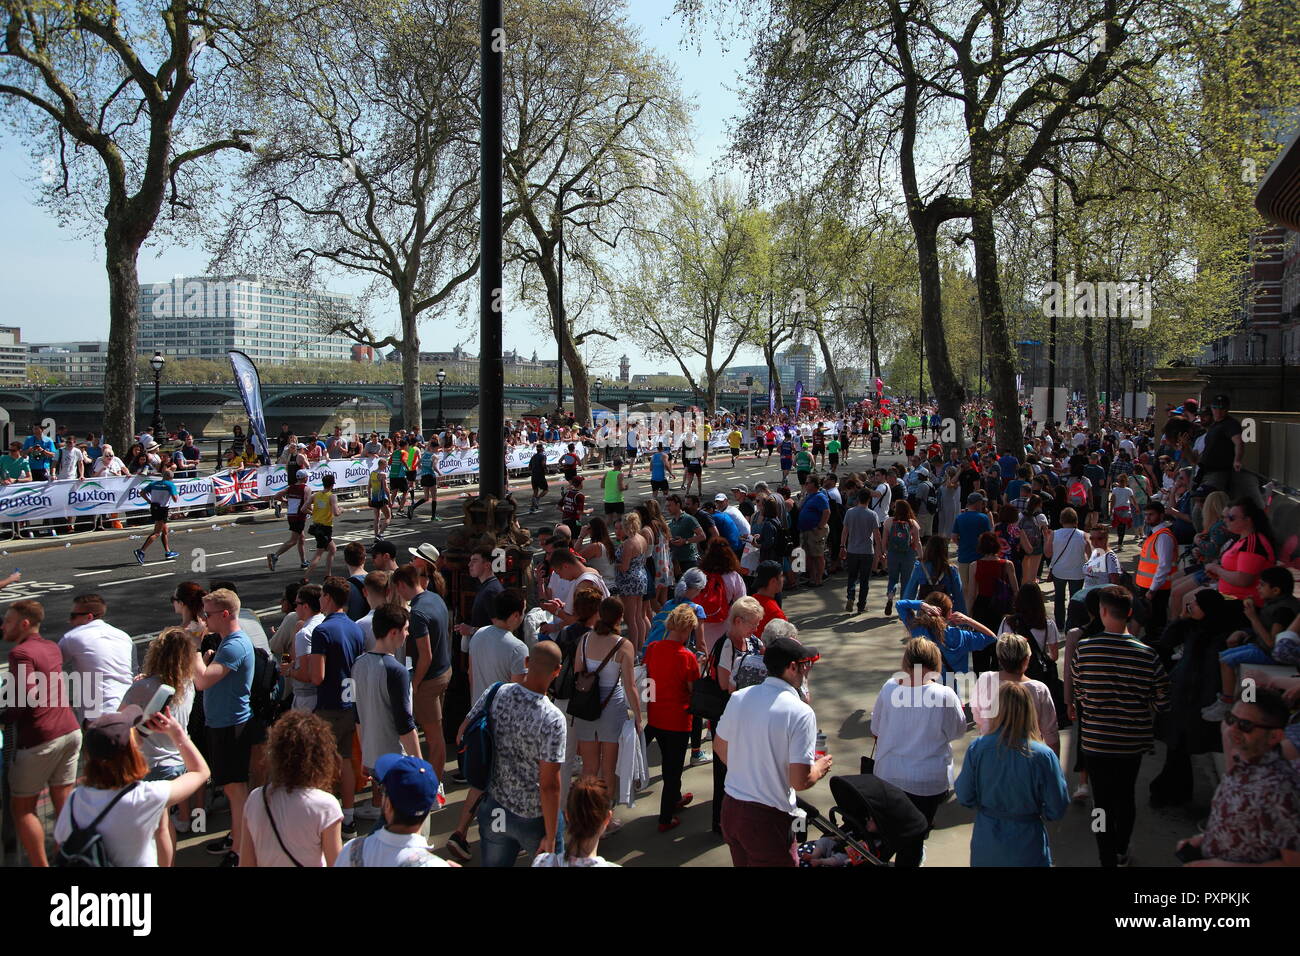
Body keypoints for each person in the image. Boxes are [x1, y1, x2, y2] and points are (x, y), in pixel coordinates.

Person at [1072, 586, 1170, 867]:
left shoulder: (1086, 649)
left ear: (1102, 611)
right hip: (1131, 742)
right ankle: (1121, 847)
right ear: (1129, 613)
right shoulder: (1147, 655)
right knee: (1125, 797)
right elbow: (1163, 700)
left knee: (1101, 802)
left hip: (1096, 742)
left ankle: (1106, 854)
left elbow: (1080, 692)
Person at [715, 636, 831, 867]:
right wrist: (819, 768)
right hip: (767, 820)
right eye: (805, 664)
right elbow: (800, 781)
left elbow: (719, 746)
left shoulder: (739, 698)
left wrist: (749, 769)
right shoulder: (801, 712)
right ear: (792, 667)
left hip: (731, 810)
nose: (807, 670)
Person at [50, 704, 209, 867]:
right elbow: (200, 772)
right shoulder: (145, 796)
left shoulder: (75, 799)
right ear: (132, 752)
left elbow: (62, 841)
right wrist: (177, 733)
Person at [458, 640, 567, 866]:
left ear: (527, 662)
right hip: (534, 817)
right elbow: (549, 785)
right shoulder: (553, 718)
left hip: (495, 806)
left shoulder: (496, 692)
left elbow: (462, 732)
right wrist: (550, 833)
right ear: (557, 671)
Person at [1175, 688, 1300, 866]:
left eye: (1245, 725)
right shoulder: (1243, 762)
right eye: (1230, 719)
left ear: (1274, 736)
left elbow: (1292, 863)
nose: (1231, 730)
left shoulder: (1279, 789)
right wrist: (1204, 839)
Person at [0, 600, 82, 867]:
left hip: (40, 738)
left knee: (22, 809)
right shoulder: (50, 647)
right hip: (69, 730)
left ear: (24, 623)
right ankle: (65, 857)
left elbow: (25, 697)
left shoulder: (20, 653)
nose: (3, 626)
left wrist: (5, 717)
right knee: (63, 800)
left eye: (8, 621)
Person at [956, 681, 1071, 866]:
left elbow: (964, 794)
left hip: (987, 842)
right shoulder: (1043, 755)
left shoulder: (978, 749)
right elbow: (1057, 805)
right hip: (1028, 843)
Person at [871, 637, 966, 860]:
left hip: (888, 776)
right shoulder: (945, 695)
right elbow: (957, 731)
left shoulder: (889, 688)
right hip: (927, 782)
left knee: (885, 837)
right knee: (913, 842)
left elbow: (876, 727)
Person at [191, 587, 256, 866]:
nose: (206, 620)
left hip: (230, 725)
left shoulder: (233, 645)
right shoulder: (229, 642)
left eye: (209, 614)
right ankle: (237, 839)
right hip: (223, 723)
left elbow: (202, 682)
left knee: (235, 791)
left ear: (225, 613)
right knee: (233, 790)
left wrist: (194, 646)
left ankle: (240, 852)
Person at [240, 711, 344, 867]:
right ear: (320, 756)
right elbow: (336, 863)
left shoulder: (256, 798)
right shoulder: (326, 806)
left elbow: (246, 863)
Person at [642, 602, 701, 833]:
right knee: (673, 769)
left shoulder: (654, 648)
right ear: (687, 629)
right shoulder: (687, 657)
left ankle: (674, 799)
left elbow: (650, 680)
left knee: (668, 761)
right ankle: (665, 818)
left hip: (656, 716)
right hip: (677, 719)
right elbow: (692, 689)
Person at [572, 597, 639, 801]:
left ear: (600, 614)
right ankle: (605, 818)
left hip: (585, 708)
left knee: (589, 767)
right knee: (609, 768)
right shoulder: (624, 645)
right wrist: (638, 716)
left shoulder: (584, 640)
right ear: (620, 618)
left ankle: (587, 813)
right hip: (612, 708)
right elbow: (630, 685)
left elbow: (578, 674)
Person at [393, 563, 452, 790]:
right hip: (444, 671)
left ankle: (434, 786)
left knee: (434, 738)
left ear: (401, 585)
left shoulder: (417, 613)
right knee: (436, 732)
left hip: (428, 681)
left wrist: (415, 685)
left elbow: (424, 656)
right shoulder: (435, 599)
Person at [971, 634, 1060, 755]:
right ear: (1027, 658)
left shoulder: (985, 679)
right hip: (1029, 755)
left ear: (1000, 658)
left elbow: (978, 717)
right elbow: (1051, 735)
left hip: (991, 754)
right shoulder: (1039, 689)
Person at [59, 593, 134, 722]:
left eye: (73, 616)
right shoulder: (124, 636)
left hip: (98, 716)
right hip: (128, 710)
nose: (69, 621)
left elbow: (49, 666)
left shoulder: (73, 637)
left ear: (89, 617)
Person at [840, 488, 882, 614]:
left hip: (852, 549)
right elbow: (877, 534)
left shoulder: (850, 512)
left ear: (858, 498)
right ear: (869, 499)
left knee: (852, 576)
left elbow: (845, 531)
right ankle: (861, 605)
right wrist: (880, 548)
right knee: (864, 580)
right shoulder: (872, 514)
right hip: (867, 551)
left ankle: (850, 596)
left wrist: (842, 546)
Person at [1044, 507, 1087, 629]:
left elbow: (1047, 553)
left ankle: (1059, 624)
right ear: (1076, 520)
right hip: (1077, 572)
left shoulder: (1054, 534)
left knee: (1059, 598)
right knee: (1075, 599)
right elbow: (1089, 554)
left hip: (1059, 571)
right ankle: (1073, 624)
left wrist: (1047, 539)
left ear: (1061, 520)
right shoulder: (1083, 535)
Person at [901, 535, 966, 612]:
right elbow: (959, 596)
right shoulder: (951, 569)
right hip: (944, 611)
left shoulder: (920, 567)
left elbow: (910, 591)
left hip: (924, 610)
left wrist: (906, 612)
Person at [133, 466, 181, 565]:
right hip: (163, 509)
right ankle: (141, 551)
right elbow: (175, 499)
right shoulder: (170, 485)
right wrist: (175, 495)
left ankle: (168, 552)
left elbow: (142, 493)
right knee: (157, 533)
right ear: (171, 478)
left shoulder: (153, 484)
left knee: (165, 530)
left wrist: (149, 501)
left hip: (154, 507)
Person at [882, 500, 922, 618]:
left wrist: (884, 552)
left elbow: (884, 539)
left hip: (893, 553)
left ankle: (890, 596)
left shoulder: (889, 522)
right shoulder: (912, 523)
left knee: (893, 578)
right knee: (906, 581)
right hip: (908, 554)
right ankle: (903, 609)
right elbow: (917, 541)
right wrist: (921, 556)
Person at [304, 473, 342, 579]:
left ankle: (328, 575)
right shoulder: (332, 496)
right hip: (325, 527)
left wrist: (314, 513)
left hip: (316, 526)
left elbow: (303, 509)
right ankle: (305, 577)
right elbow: (336, 513)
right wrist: (341, 509)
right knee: (319, 553)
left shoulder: (315, 495)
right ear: (332, 485)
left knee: (333, 549)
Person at [797, 475, 831, 587]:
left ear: (814, 484)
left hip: (815, 531)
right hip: (806, 530)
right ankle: (812, 578)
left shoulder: (820, 497)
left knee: (818, 555)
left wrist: (820, 526)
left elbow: (826, 512)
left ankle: (819, 579)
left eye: (807, 483)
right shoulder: (808, 496)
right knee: (810, 555)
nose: (805, 485)